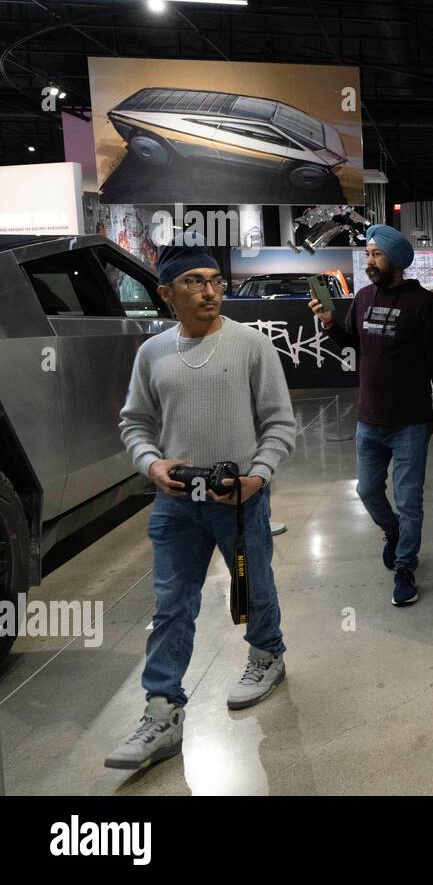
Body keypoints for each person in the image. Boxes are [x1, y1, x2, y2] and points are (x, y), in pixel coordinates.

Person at [108, 235, 296, 772]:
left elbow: (279, 422)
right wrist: (151, 463)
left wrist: (258, 477)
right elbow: (136, 421)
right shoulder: (152, 353)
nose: (210, 292)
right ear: (167, 293)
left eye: (215, 281)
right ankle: (162, 710)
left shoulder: (251, 345)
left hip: (239, 500)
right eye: (195, 282)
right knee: (172, 604)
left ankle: (267, 655)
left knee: (252, 585)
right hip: (175, 502)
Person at [312, 224, 433, 606]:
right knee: (367, 490)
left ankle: (406, 567)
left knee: (410, 501)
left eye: (376, 254)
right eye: (368, 253)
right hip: (369, 420)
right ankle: (393, 533)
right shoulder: (362, 297)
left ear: (395, 258)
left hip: (412, 421)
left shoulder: (423, 303)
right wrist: (329, 324)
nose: (370, 260)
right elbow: (351, 342)